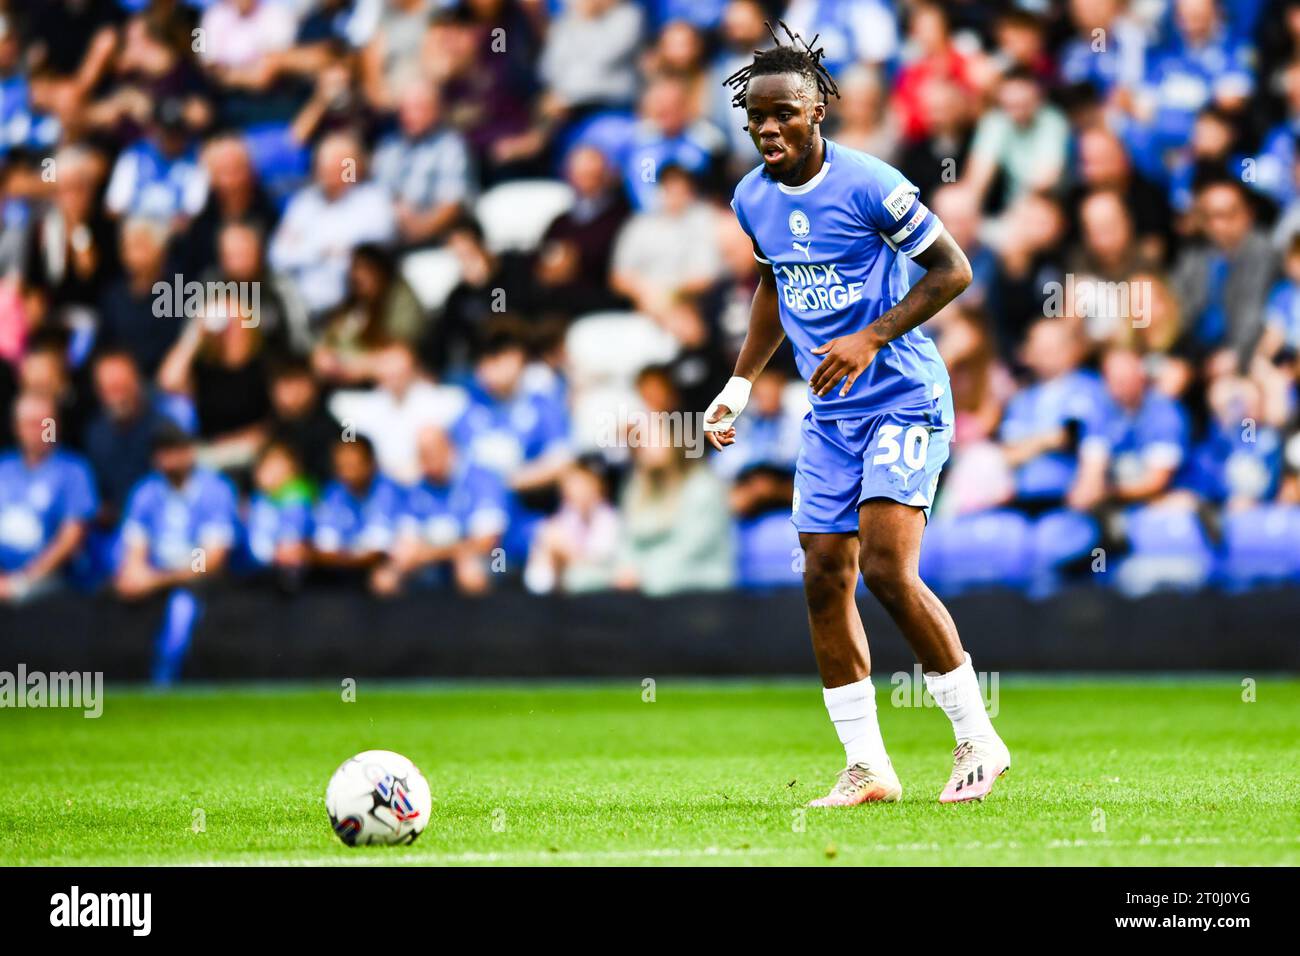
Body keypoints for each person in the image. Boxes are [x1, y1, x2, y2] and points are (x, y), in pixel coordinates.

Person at [705, 23, 1008, 807]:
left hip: (904, 395)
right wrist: (739, 385)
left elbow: (954, 270)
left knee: (883, 567)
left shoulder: (871, 183)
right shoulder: (751, 198)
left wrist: (872, 336)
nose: (769, 128)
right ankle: (868, 767)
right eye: (758, 118)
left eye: (785, 114)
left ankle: (978, 738)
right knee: (821, 575)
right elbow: (776, 284)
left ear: (818, 111)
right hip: (831, 414)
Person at [0, 393, 97, 602]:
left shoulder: (72, 470)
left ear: (55, 426)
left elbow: (72, 538)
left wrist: (23, 581)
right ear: (17, 427)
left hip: (52, 581)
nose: (39, 430)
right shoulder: (4, 466)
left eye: (45, 423)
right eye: (30, 424)